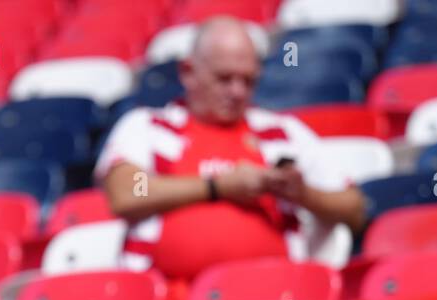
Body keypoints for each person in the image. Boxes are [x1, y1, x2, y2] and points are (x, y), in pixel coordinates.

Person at [95, 16, 366, 283]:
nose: (237, 91)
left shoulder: (283, 132)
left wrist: (303, 194)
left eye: (248, 81)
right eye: (224, 78)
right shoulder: (148, 126)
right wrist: (218, 187)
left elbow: (353, 208)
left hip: (273, 298)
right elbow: (127, 194)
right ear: (188, 72)